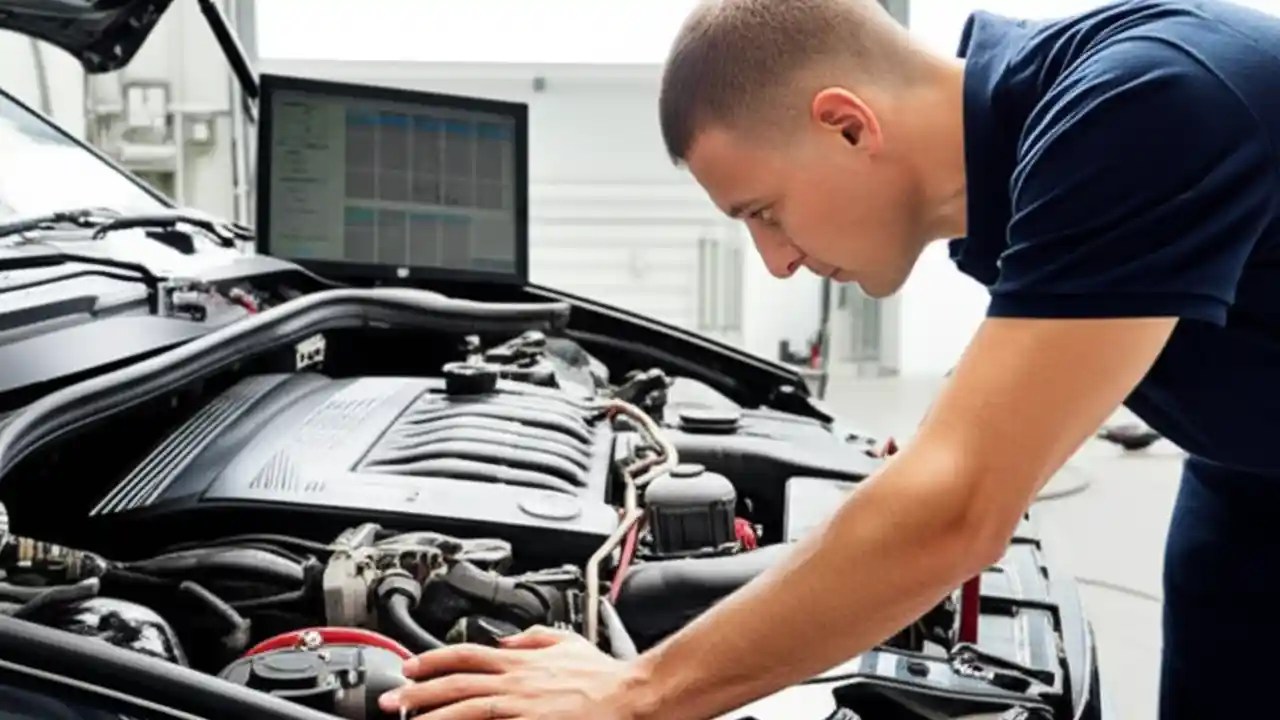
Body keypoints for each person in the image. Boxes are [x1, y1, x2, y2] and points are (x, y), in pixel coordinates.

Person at [379, 0, 1280, 718]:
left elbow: (959, 512)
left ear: (848, 125)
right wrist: (935, 452)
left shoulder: (1147, 104)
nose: (775, 259)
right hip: (1246, 475)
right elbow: (1045, 323)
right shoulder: (1033, 137)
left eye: (762, 211)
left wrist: (635, 692)